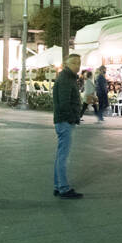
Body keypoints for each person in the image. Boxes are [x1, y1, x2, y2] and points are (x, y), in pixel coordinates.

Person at [52, 55, 84, 199]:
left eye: (79, 63)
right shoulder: (66, 79)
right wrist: (72, 118)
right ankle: (64, 188)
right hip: (65, 121)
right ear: (67, 64)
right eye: (75, 63)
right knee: (63, 156)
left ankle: (58, 186)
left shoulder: (67, 77)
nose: (78, 66)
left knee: (60, 155)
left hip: (63, 120)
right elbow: (64, 103)